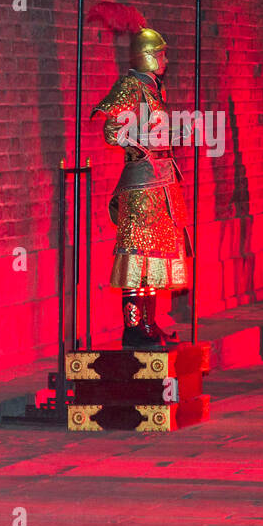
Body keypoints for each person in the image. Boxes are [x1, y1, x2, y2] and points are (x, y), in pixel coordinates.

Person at [91, 25, 192, 349]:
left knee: (154, 259)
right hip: (142, 186)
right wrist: (138, 147)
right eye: (161, 54)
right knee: (137, 257)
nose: (165, 59)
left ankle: (149, 324)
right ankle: (133, 328)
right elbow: (110, 126)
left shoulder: (153, 89)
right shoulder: (132, 85)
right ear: (148, 57)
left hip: (161, 182)